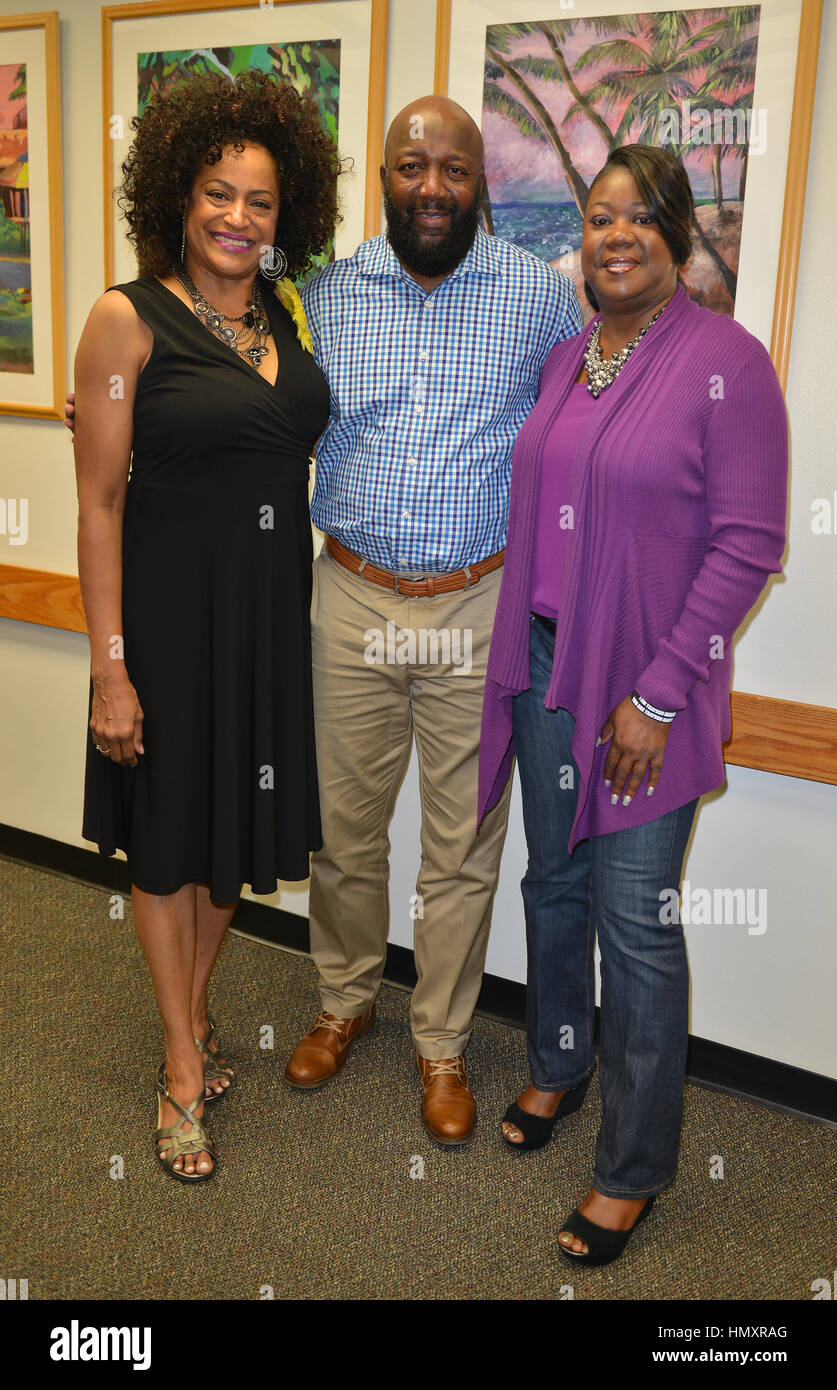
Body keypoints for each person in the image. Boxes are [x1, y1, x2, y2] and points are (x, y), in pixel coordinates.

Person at [478, 144, 788, 1261]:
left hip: (648, 690)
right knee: (553, 884)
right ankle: (560, 1062)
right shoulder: (569, 361)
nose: (615, 235)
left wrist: (655, 698)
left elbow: (749, 548)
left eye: (639, 217)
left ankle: (635, 1167)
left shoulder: (729, 363)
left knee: (638, 925)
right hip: (553, 673)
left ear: (679, 233)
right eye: (599, 216)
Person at [283, 96, 582, 1144]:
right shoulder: (324, 291)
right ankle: (342, 997)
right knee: (343, 830)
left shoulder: (538, 299)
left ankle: (443, 1041)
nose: (433, 188)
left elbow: (594, 412)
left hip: (477, 601)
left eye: (453, 168)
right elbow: (245, 381)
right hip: (353, 594)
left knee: (461, 845)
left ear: (479, 181)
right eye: (414, 166)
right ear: (386, 174)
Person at [72, 70, 337, 1182]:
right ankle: (183, 1062)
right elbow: (96, 503)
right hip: (168, 633)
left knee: (229, 852)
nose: (238, 217)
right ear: (180, 198)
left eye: (261, 200)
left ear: (287, 216)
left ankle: (188, 1012)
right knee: (171, 839)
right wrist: (111, 671)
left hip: (269, 629)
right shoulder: (125, 319)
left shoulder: (284, 311)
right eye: (218, 193)